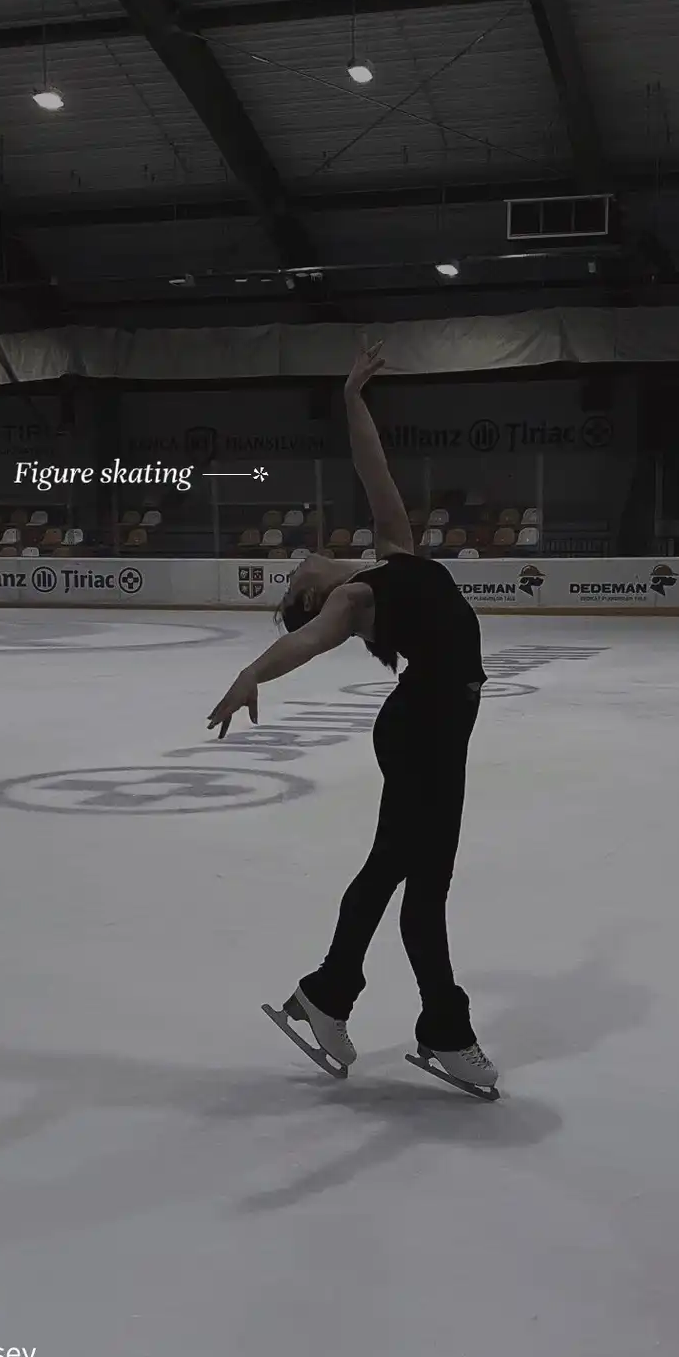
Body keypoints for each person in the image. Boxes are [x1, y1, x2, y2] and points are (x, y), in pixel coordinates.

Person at [208, 343, 497, 1093]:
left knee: (401, 875)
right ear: (314, 596)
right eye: (293, 581)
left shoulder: (394, 554)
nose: (298, 564)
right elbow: (302, 643)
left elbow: (376, 471)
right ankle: (440, 1028)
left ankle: (332, 994)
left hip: (437, 726)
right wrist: (251, 673)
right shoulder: (354, 598)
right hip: (422, 729)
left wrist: (351, 399)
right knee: (420, 883)